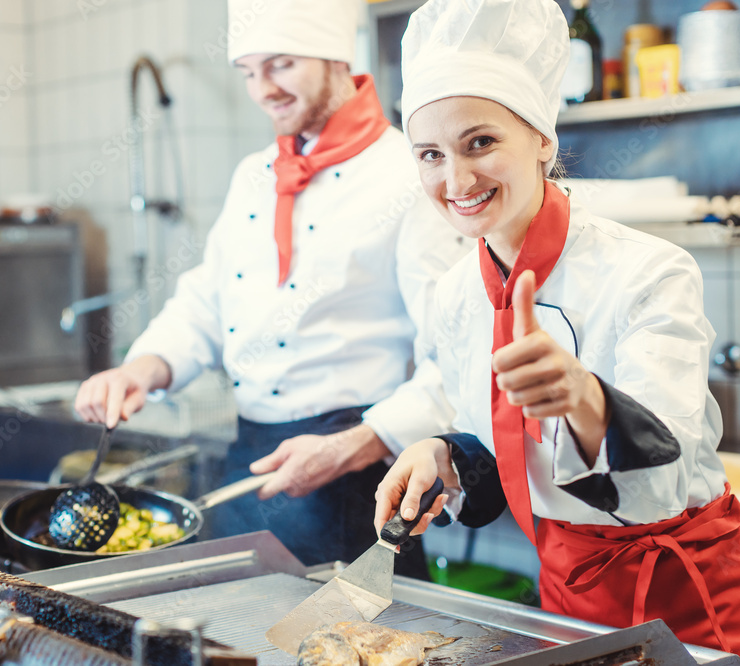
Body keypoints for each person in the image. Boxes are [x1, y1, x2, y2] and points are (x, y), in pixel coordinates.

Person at [373, 0, 740, 662]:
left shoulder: (649, 270)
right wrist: (444, 453)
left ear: (542, 138)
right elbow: (504, 446)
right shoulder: (456, 292)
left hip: (695, 602)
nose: (455, 179)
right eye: (430, 154)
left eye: (480, 142)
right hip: (568, 600)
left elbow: (664, 469)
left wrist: (583, 396)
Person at [74, 0, 468, 578]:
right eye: (248, 72)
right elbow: (206, 301)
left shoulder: (408, 174)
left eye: (281, 64)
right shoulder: (254, 175)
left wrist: (355, 445)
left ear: (337, 57)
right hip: (250, 460)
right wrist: (142, 369)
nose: (263, 90)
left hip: (357, 471)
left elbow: (458, 352)